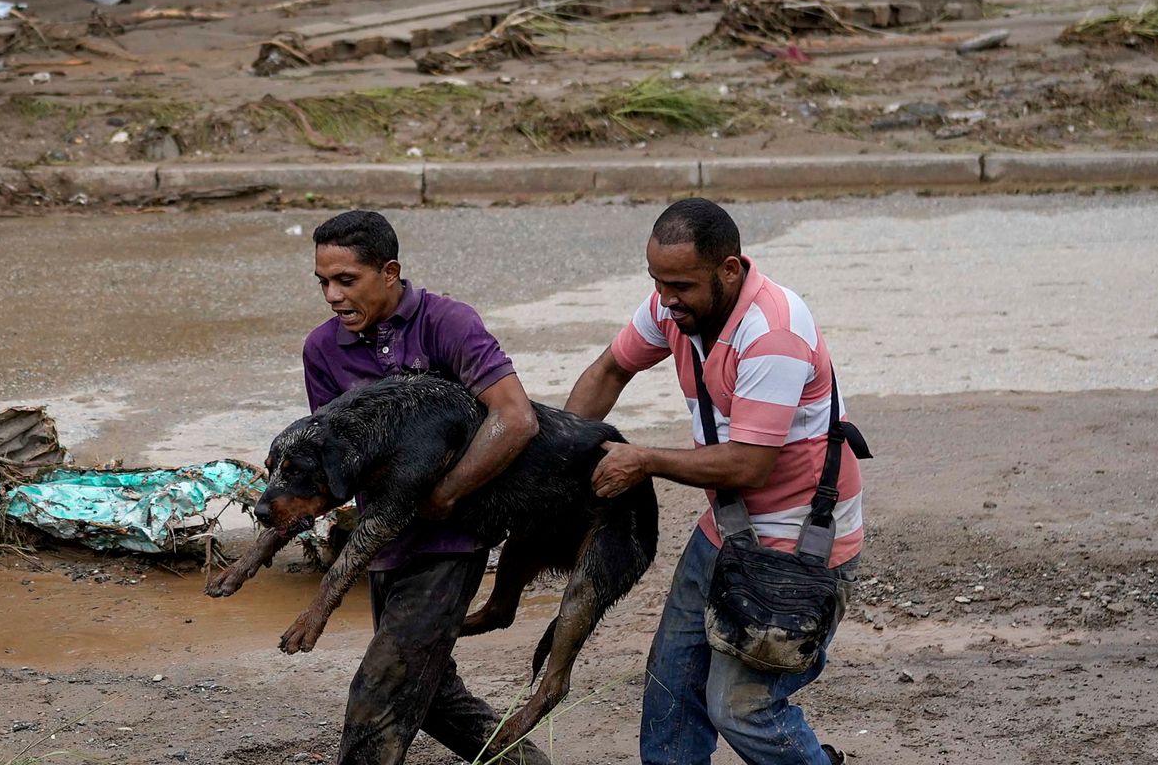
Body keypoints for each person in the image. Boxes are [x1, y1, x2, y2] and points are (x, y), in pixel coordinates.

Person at [565, 198, 864, 765]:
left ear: (729, 269)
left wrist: (643, 458)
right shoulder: (675, 307)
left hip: (799, 542)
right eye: (657, 282)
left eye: (679, 285)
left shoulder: (772, 332)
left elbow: (749, 465)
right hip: (730, 525)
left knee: (741, 708)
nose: (665, 299)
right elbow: (610, 369)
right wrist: (565, 456)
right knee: (672, 687)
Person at [302, 210, 544, 765]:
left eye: (346, 280)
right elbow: (341, 457)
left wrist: (445, 495)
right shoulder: (321, 350)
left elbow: (516, 417)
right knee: (431, 694)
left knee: (377, 699)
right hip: (384, 544)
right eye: (323, 282)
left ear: (389, 272)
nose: (332, 296)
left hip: (450, 543)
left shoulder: (448, 323)